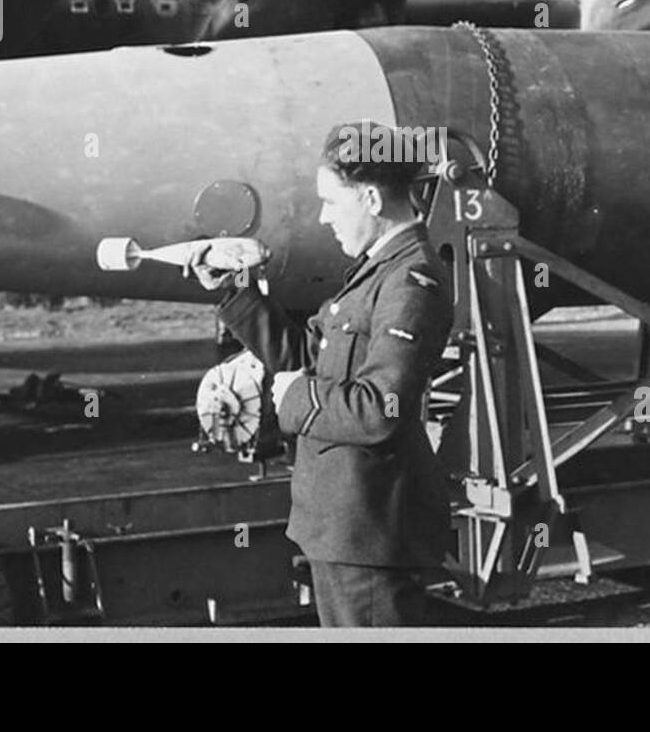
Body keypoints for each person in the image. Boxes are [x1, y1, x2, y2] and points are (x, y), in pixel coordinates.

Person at [188, 120, 454, 627]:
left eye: (332, 202)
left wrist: (295, 399)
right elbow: (308, 355)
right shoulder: (378, 270)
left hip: (369, 530)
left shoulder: (409, 282)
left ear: (372, 200)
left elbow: (381, 409)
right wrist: (234, 290)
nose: (323, 217)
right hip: (343, 525)